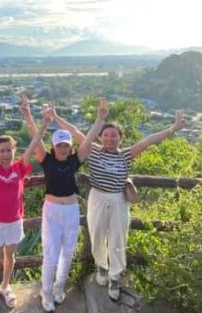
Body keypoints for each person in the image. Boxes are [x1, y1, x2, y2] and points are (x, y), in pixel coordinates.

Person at [54, 107, 186, 300]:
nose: (109, 138)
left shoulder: (126, 155)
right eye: (106, 135)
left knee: (118, 238)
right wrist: (55, 116)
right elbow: (74, 131)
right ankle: (102, 267)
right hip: (97, 197)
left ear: (120, 139)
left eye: (114, 135)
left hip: (118, 199)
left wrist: (173, 128)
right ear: (100, 137)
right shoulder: (93, 150)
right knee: (97, 234)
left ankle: (115, 276)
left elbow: (148, 140)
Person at [22, 95, 107, 312]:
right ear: (53, 146)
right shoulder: (46, 160)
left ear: (70, 147)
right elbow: (35, 135)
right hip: (51, 211)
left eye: (66, 145)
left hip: (71, 210)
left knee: (68, 252)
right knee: (51, 254)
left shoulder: (74, 160)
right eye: (59, 145)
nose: (62, 148)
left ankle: (59, 287)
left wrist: (100, 119)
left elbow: (88, 139)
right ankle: (46, 291)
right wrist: (29, 115)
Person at [0, 101, 51, 310]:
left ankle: (5, 286)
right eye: (2, 151)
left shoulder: (20, 167)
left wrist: (44, 124)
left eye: (9, 150)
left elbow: (34, 144)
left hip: (14, 220)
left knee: (10, 256)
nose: (6, 154)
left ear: (14, 151)